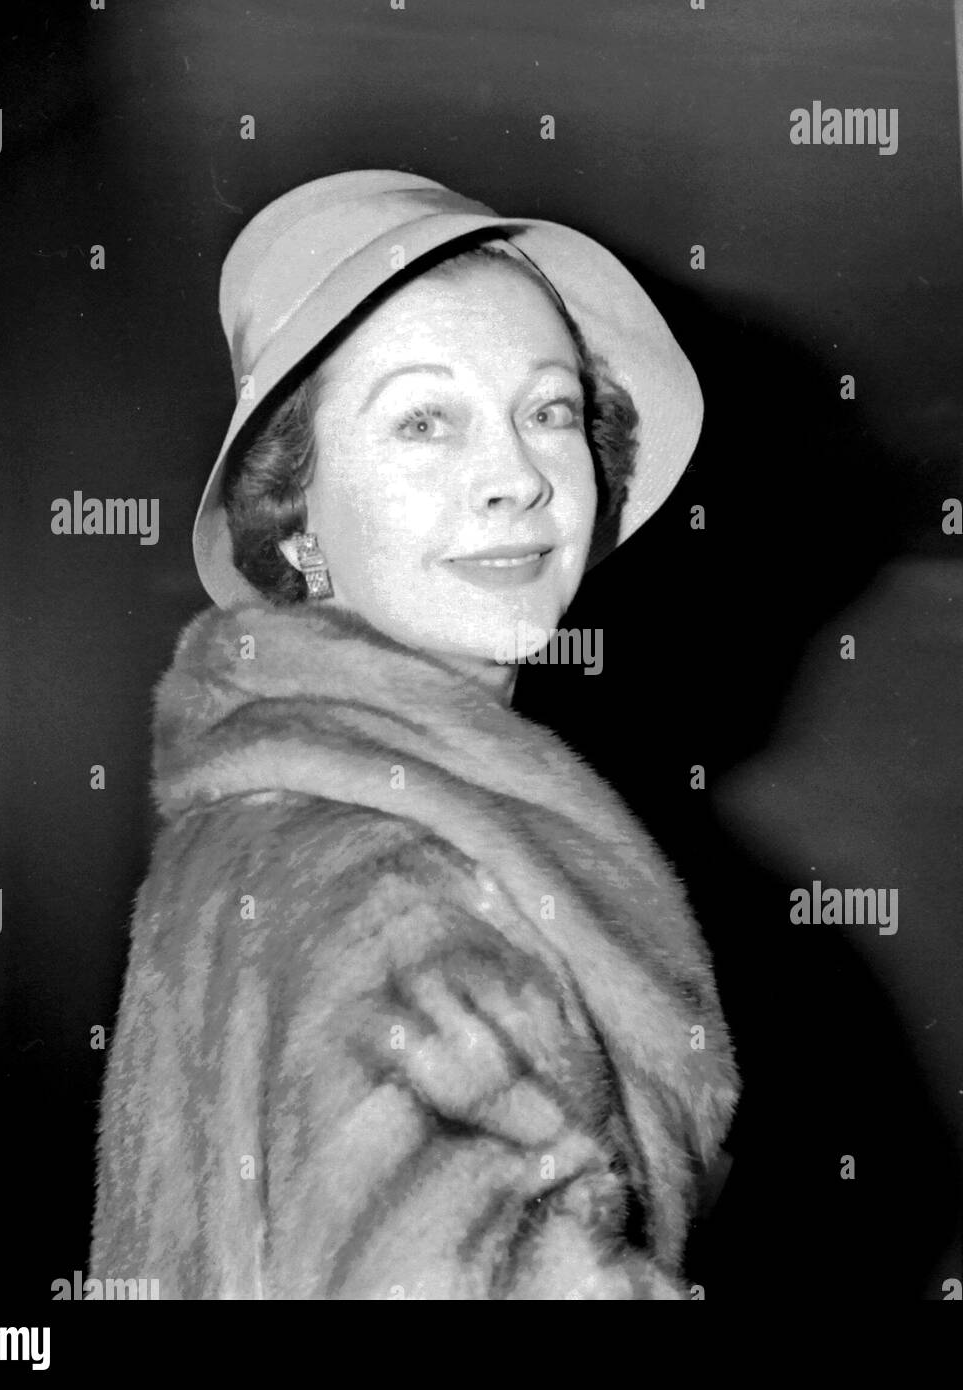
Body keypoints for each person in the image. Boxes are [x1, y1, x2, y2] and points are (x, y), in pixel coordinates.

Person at [89, 169, 738, 1299]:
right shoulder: (391, 880)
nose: (516, 479)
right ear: (296, 516)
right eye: (425, 420)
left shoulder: (268, 823)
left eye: (548, 410)